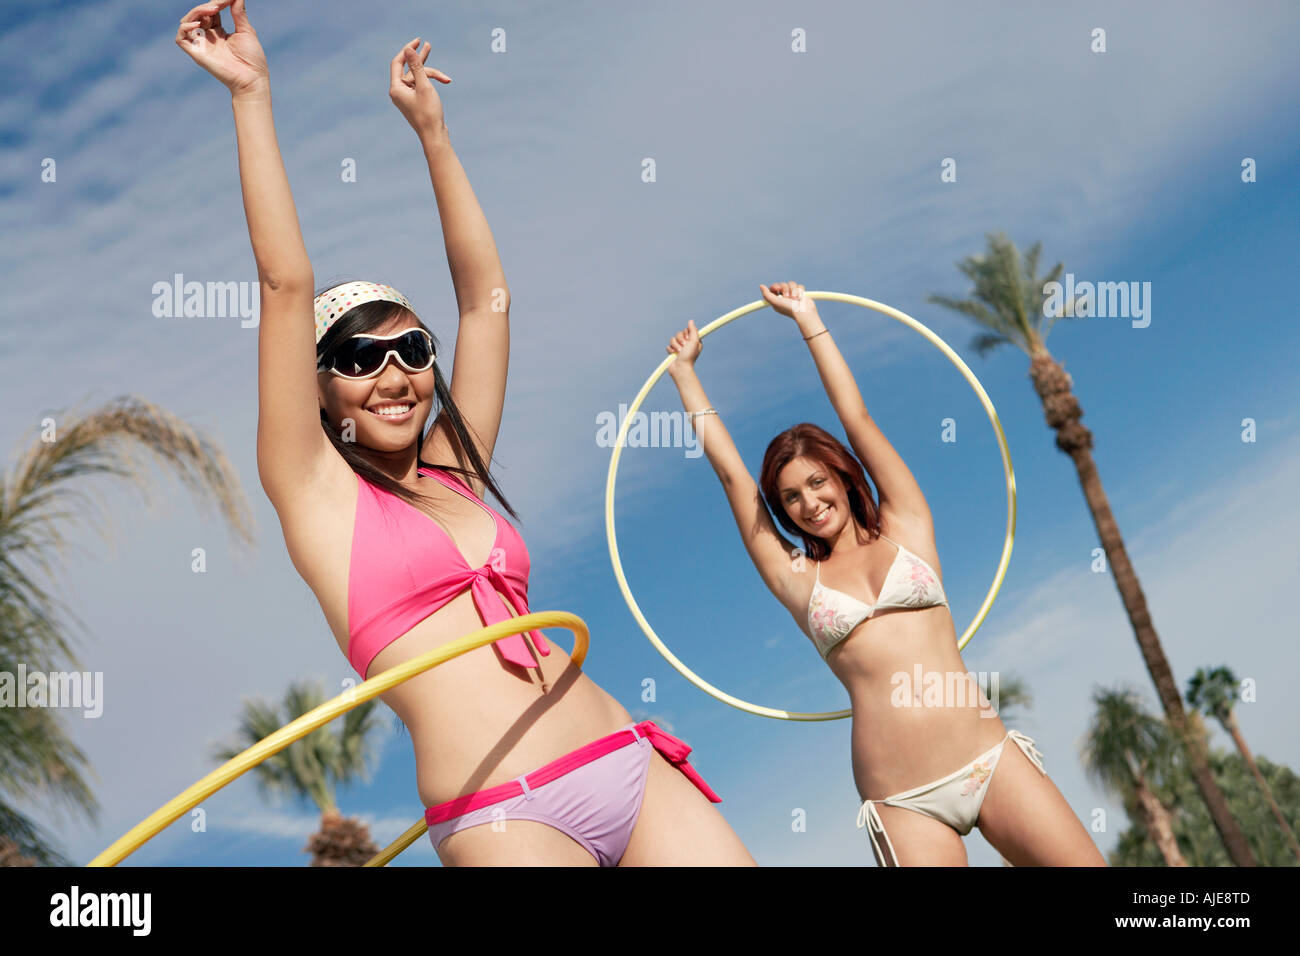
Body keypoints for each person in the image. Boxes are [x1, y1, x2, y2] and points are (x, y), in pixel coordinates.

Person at [176, 0, 754, 866]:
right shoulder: (313, 492)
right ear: (323, 392)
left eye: (411, 349)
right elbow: (285, 286)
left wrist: (433, 137)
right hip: (503, 811)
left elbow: (488, 303)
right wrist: (251, 96)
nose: (394, 373)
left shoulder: (454, 472)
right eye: (359, 358)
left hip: (622, 760)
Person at [664, 280, 1105, 866]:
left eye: (817, 482)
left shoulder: (907, 526)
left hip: (988, 756)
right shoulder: (797, 579)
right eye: (790, 496)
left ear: (843, 476)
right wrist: (685, 375)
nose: (809, 503)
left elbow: (857, 416)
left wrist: (807, 320)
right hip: (901, 796)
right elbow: (733, 480)